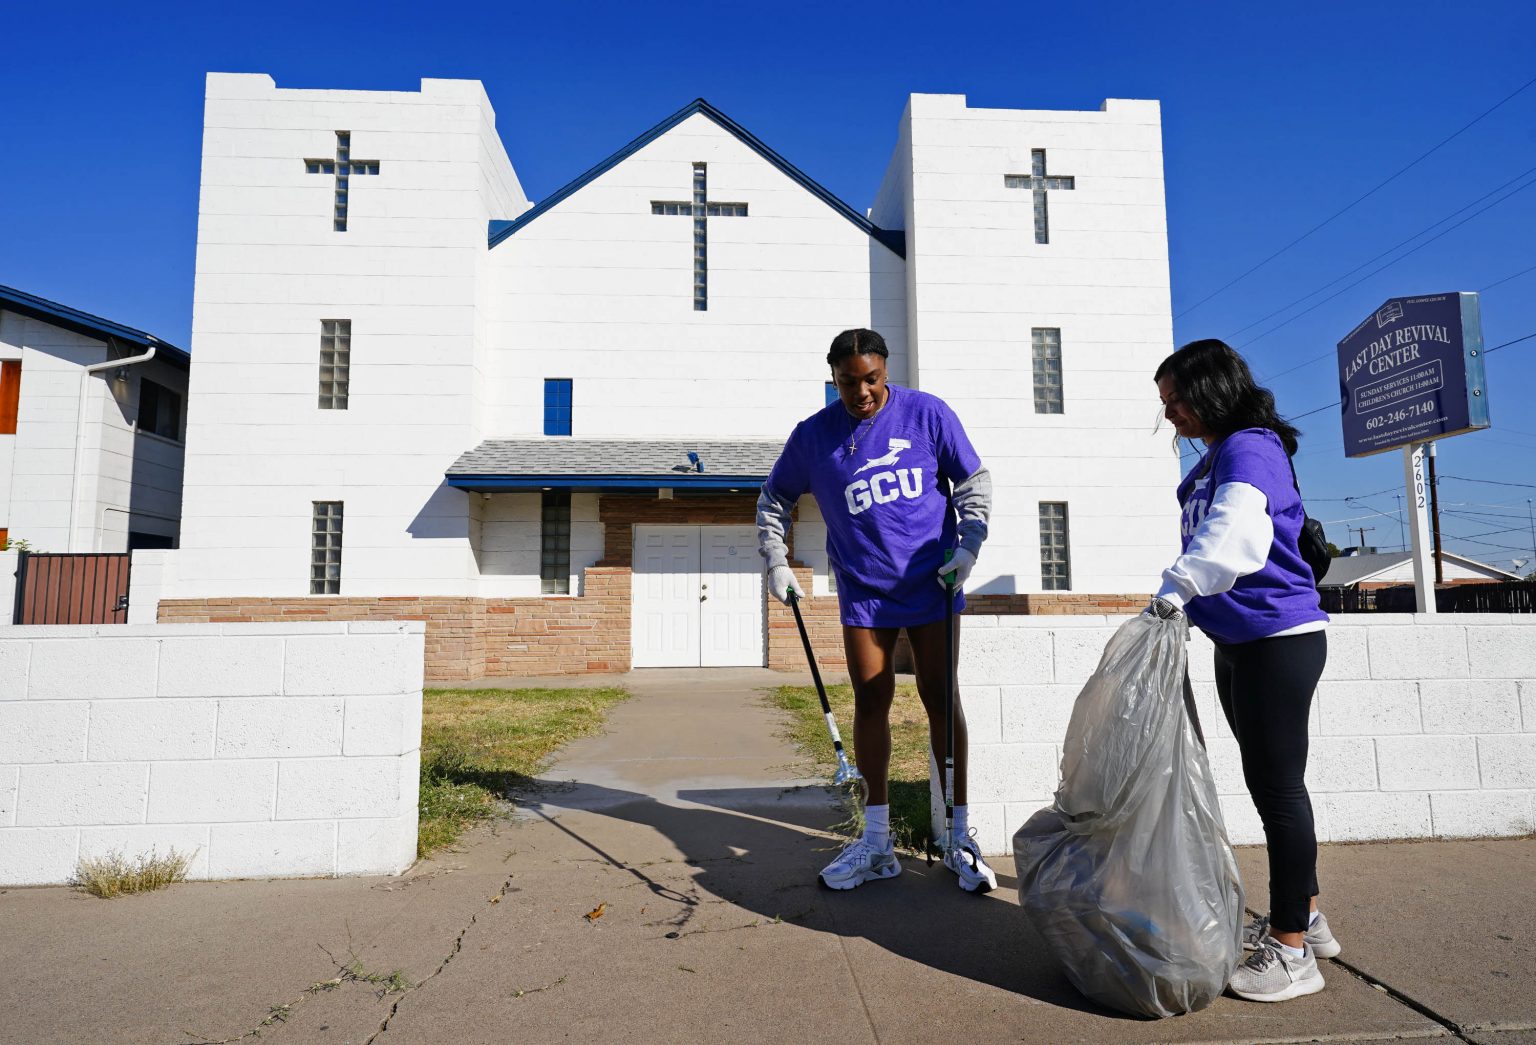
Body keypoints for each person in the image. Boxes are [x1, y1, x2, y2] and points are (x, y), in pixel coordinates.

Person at [757, 328, 997, 893]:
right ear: (833, 379)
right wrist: (776, 561)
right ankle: (877, 841)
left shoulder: (927, 414)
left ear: (885, 371)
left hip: (933, 582)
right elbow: (774, 499)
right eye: (848, 382)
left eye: (871, 379)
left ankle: (957, 836)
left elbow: (973, 481)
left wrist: (968, 547)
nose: (861, 392)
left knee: (941, 699)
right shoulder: (813, 436)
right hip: (864, 590)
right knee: (871, 700)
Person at [1150, 338, 1337, 1003]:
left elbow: (1235, 530)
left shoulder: (1249, 447)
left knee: (1279, 791)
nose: (1169, 412)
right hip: (1240, 641)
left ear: (1212, 390)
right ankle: (1306, 917)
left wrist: (1174, 590)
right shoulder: (1218, 456)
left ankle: (1292, 952)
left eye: (1176, 398)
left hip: (1275, 639)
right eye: (1164, 401)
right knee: (1268, 785)